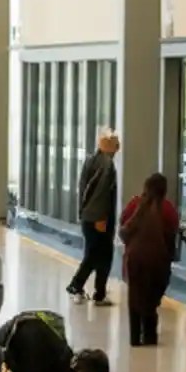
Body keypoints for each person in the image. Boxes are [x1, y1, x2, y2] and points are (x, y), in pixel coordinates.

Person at [117, 173, 177, 347]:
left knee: (135, 297)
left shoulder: (135, 204)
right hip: (158, 261)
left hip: (135, 259)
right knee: (151, 300)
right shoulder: (168, 209)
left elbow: (123, 225)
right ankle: (150, 336)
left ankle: (135, 338)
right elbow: (172, 237)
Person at [67, 130, 120, 305]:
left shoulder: (91, 160)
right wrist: (101, 218)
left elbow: (84, 189)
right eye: (115, 144)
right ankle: (80, 287)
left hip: (88, 217)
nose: (118, 148)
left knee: (94, 254)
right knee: (100, 255)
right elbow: (101, 194)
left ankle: (96, 292)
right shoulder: (106, 165)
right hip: (99, 218)